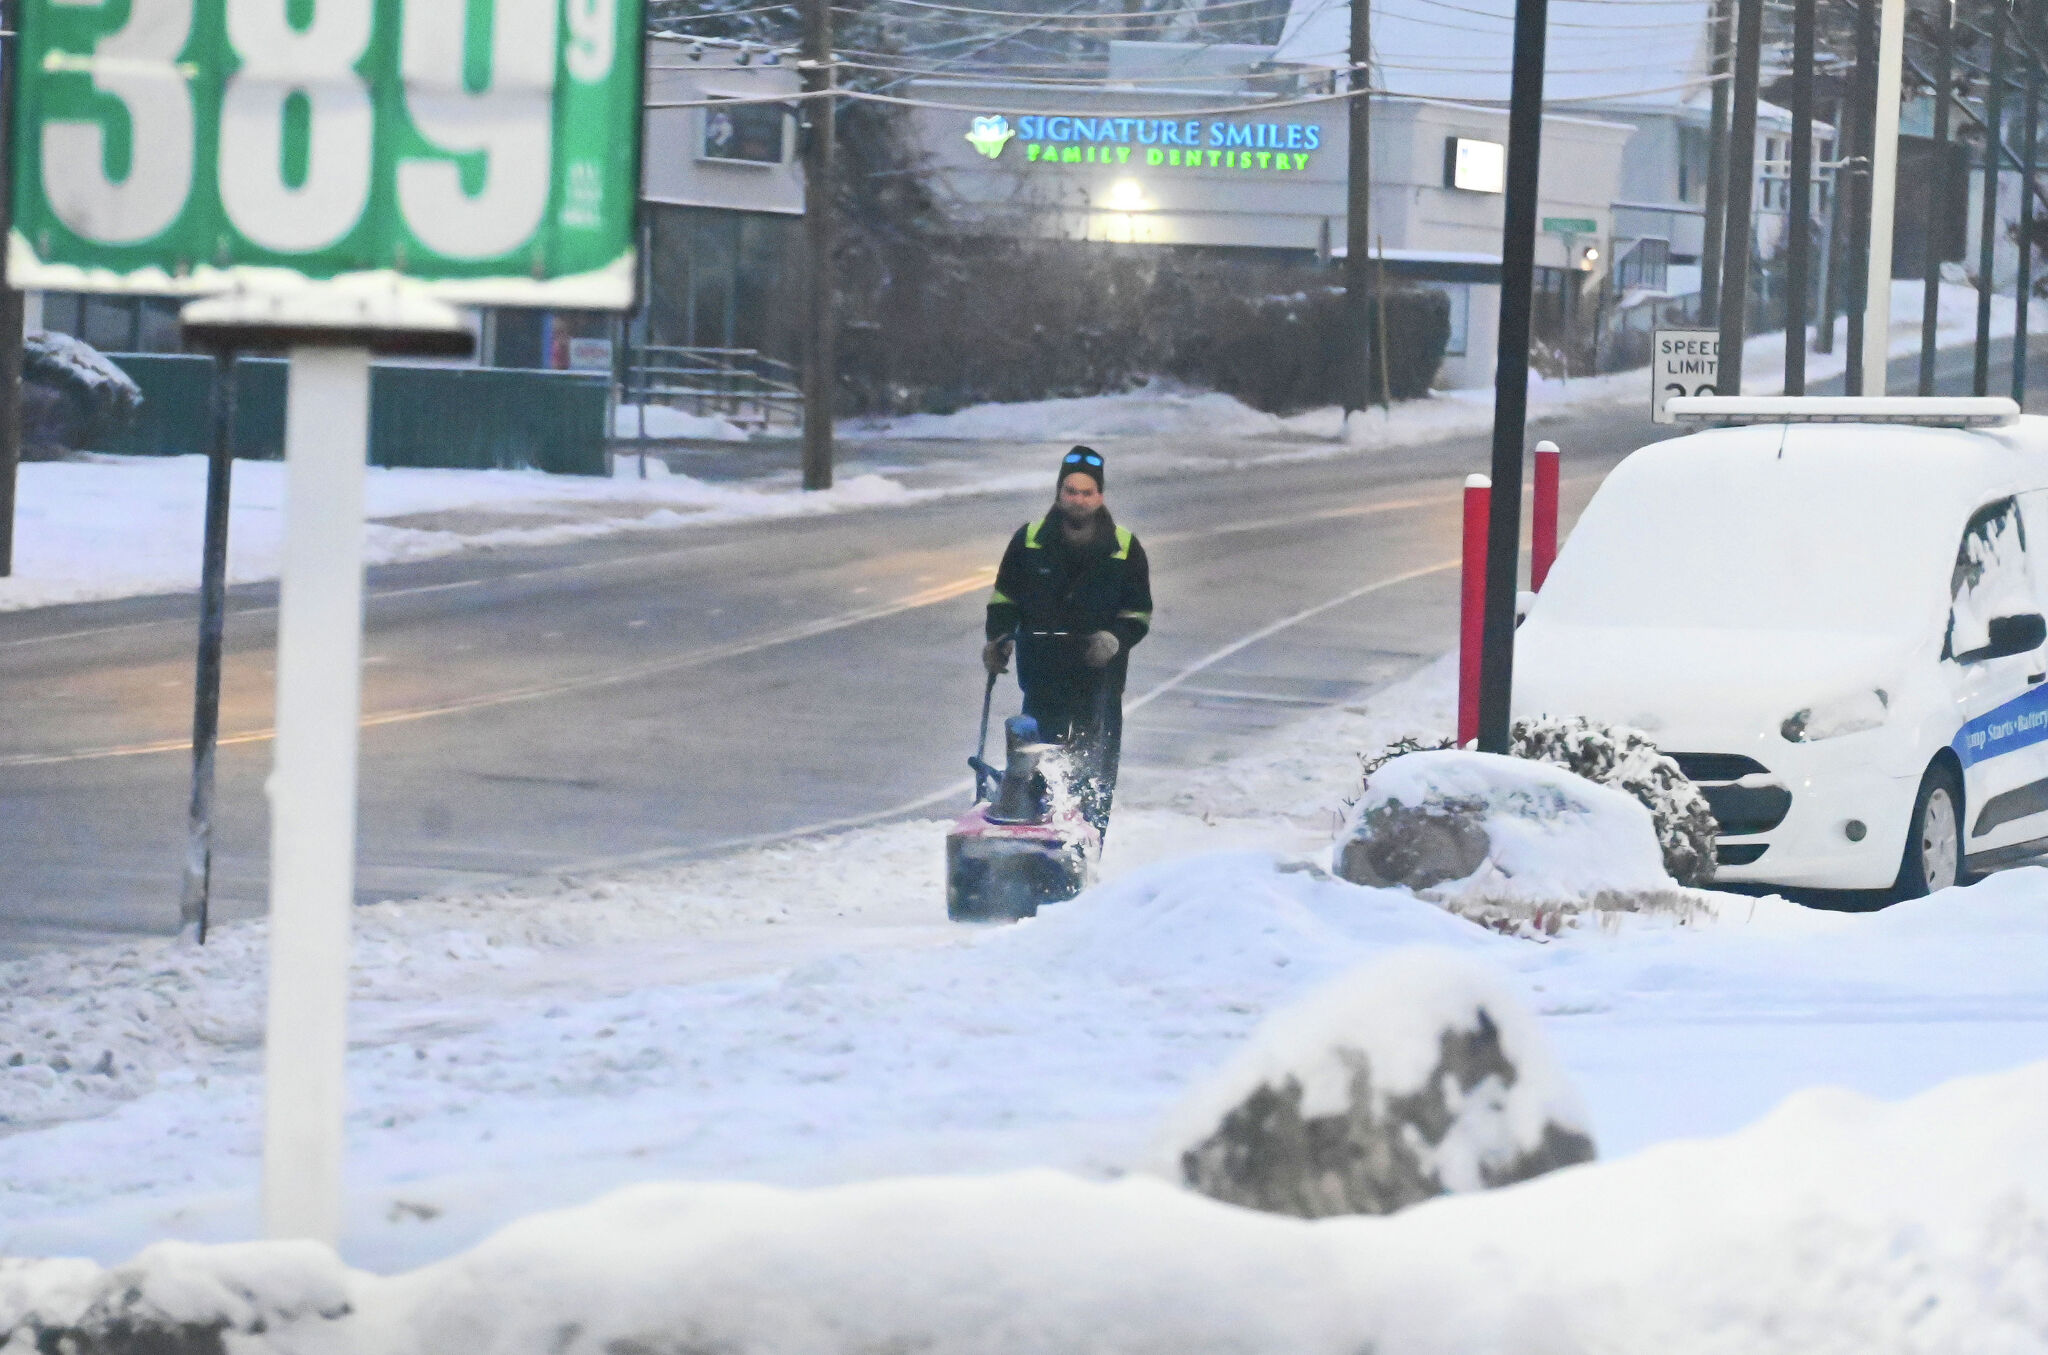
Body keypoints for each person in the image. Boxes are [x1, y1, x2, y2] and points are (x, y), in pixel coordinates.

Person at [982, 446, 1152, 838]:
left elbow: (1138, 613)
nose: (1078, 499)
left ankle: (1087, 850)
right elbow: (1005, 598)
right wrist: (999, 639)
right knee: (1035, 765)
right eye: (1071, 491)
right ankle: (1035, 846)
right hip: (1042, 674)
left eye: (1086, 492)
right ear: (1059, 493)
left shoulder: (1124, 548)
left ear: (1100, 497)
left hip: (1099, 679)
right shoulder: (1028, 542)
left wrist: (1114, 638)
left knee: (1093, 774)